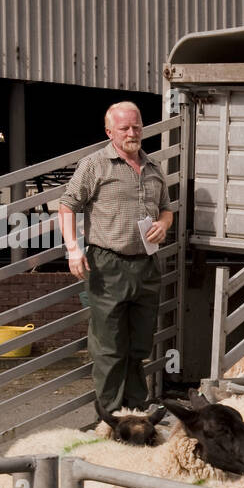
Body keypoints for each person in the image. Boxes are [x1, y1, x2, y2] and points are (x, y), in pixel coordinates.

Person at [58, 102, 172, 412]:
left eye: (136, 126)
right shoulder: (95, 165)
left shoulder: (153, 167)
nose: (132, 133)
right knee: (109, 346)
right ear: (110, 132)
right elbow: (67, 206)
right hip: (108, 264)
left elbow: (166, 208)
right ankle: (109, 417)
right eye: (124, 128)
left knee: (139, 345)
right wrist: (73, 249)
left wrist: (162, 224)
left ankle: (135, 413)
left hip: (147, 266)